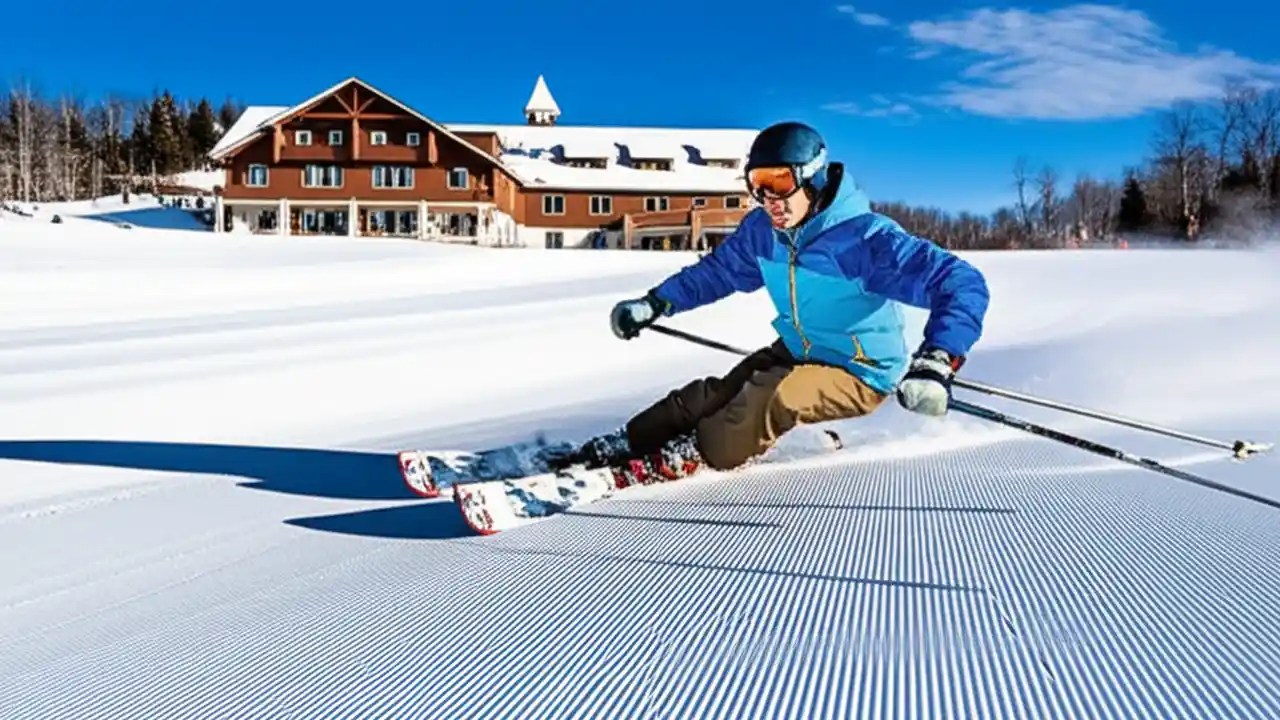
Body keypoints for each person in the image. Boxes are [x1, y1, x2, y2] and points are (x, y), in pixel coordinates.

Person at [551, 121, 990, 482]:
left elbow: (960, 282)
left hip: (860, 369)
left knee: (771, 396)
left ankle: (694, 453)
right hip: (800, 349)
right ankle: (634, 440)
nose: (769, 200)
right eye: (757, 185)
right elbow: (717, 273)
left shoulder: (864, 239)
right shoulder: (764, 232)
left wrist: (938, 359)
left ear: (812, 178)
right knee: (715, 394)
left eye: (779, 183)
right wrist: (656, 303)